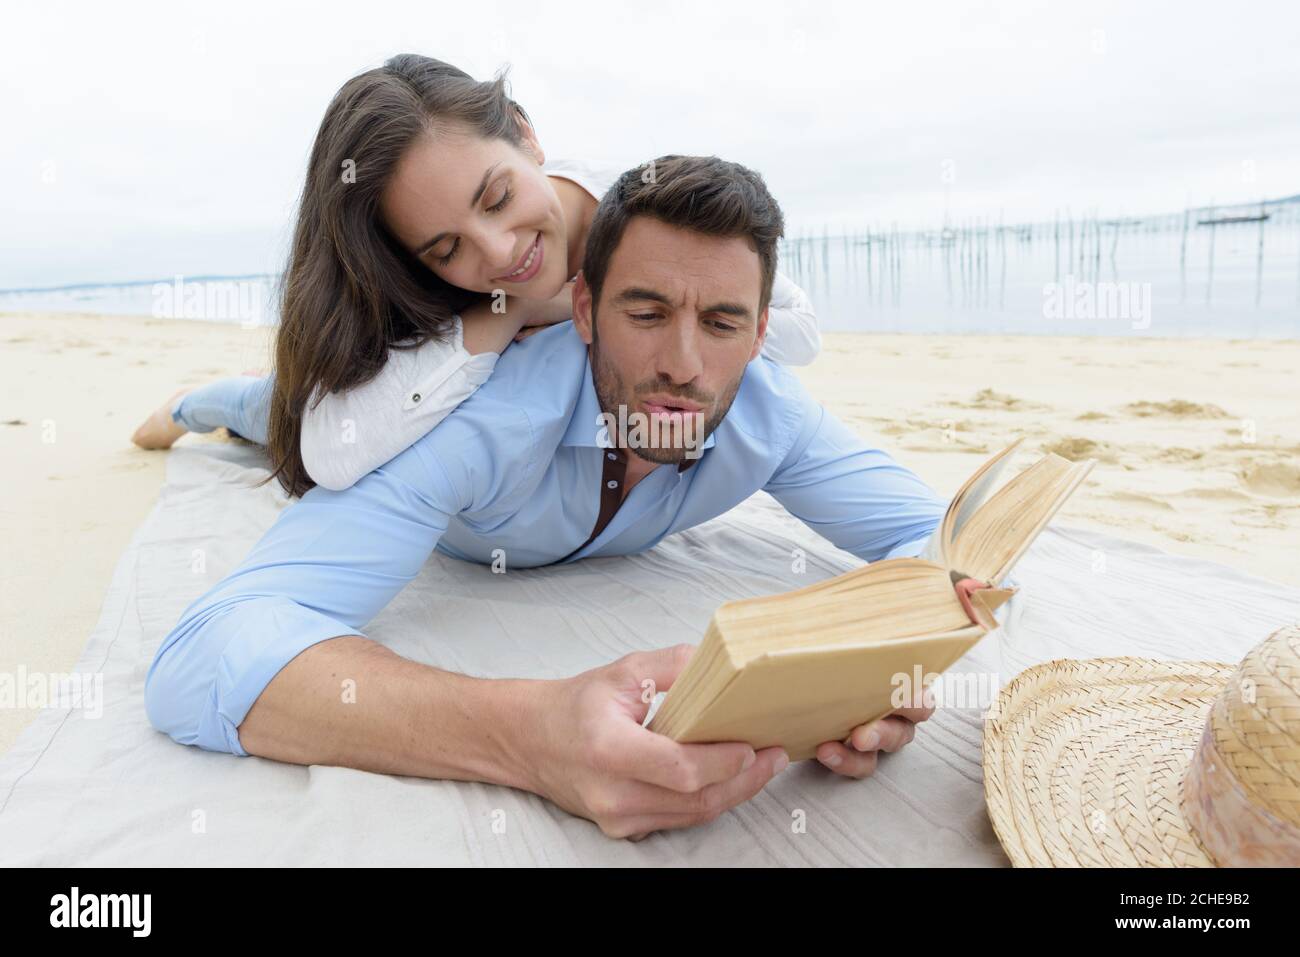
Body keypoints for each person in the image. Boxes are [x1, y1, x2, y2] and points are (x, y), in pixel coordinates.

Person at [146, 155, 967, 841]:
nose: (683, 363)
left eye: (721, 323)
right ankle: (193, 404)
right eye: (644, 311)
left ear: (760, 335)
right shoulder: (480, 428)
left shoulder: (772, 412)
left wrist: (874, 665)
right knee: (277, 411)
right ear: (583, 308)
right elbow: (200, 658)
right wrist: (529, 734)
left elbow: (943, 542)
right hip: (370, 408)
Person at [130, 54, 820, 497]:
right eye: (445, 248)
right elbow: (330, 453)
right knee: (262, 407)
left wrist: (572, 301)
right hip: (377, 378)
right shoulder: (463, 294)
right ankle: (192, 404)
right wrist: (517, 309)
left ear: (525, 135)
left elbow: (797, 331)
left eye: (496, 197)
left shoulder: (641, 215)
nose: (496, 253)